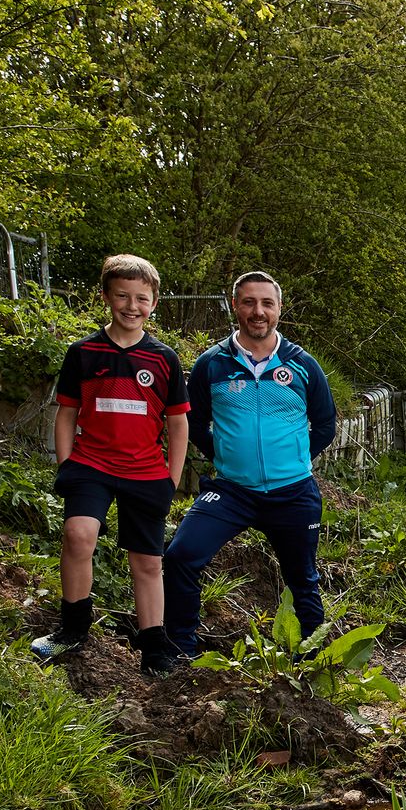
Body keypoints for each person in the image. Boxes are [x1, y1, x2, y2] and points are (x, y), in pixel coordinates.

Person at [164, 271, 336, 659]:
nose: (258, 312)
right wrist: (223, 456)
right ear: (235, 306)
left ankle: (310, 665)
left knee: (303, 580)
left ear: (279, 309)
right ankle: (180, 655)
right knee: (180, 556)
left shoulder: (303, 365)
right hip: (231, 491)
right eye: (248, 302)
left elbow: (325, 423)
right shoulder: (212, 364)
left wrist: (294, 460)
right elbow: (193, 421)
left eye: (266, 303)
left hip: (293, 493)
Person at [31, 254, 189, 674]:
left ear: (154, 303)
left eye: (142, 298)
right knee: (78, 535)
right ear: (106, 297)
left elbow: (177, 423)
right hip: (91, 464)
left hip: (145, 472)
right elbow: (66, 413)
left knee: (148, 561)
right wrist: (67, 464)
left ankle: (154, 644)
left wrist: (171, 479)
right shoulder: (83, 352)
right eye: (122, 296)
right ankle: (72, 628)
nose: (131, 306)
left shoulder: (163, 359)